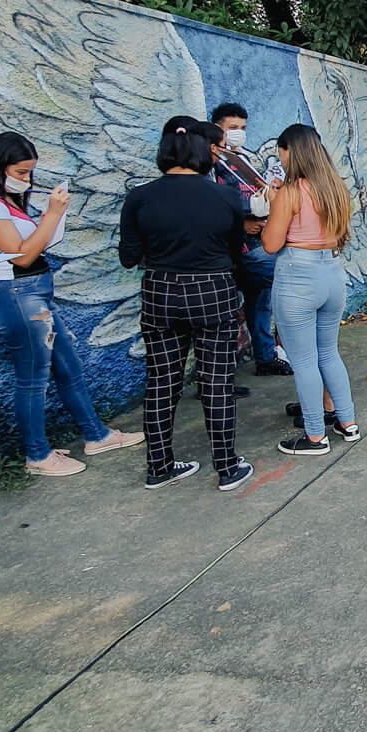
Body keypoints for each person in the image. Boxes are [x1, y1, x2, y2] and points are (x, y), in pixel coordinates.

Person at [0, 133, 142, 477]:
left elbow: (37, 244)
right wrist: (52, 214)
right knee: (33, 378)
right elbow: (24, 255)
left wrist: (51, 218)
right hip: (15, 294)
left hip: (35, 293)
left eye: (30, 172)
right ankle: (38, 455)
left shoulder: (7, 202)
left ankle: (97, 434)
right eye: (20, 171)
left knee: (68, 367)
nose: (26, 179)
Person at [117, 117, 254, 492]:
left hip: (160, 292)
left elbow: (129, 258)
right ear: (201, 153)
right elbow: (234, 251)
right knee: (216, 382)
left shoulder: (140, 197)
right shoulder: (225, 197)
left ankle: (159, 467)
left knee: (162, 382)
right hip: (213, 292)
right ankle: (227, 466)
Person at [261, 123, 358, 455]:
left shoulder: (290, 192)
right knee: (329, 353)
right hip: (332, 273)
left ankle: (315, 436)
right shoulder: (336, 189)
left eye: (281, 153)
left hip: (297, 275)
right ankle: (347, 422)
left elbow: (271, 243)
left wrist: (275, 203)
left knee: (303, 360)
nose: (281, 160)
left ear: (292, 152)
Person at [208, 104, 291, 379]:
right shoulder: (212, 163)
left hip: (255, 242)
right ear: (217, 128)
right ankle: (217, 375)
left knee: (260, 302)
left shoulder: (243, 159)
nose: (239, 134)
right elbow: (212, 205)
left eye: (242, 128)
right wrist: (241, 224)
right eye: (233, 128)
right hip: (231, 249)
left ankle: (266, 357)